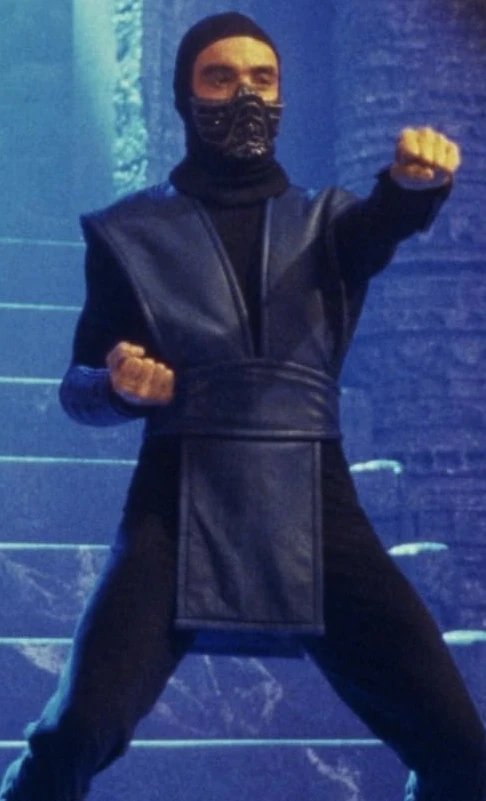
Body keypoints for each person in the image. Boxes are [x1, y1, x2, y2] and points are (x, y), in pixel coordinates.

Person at [1, 11, 485, 801]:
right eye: (220, 77)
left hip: (316, 507)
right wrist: (117, 384)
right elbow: (79, 385)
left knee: (461, 748)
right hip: (176, 505)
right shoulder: (128, 232)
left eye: (263, 79)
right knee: (72, 734)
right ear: (185, 95)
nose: (245, 95)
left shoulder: (327, 222)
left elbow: (379, 224)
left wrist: (412, 186)